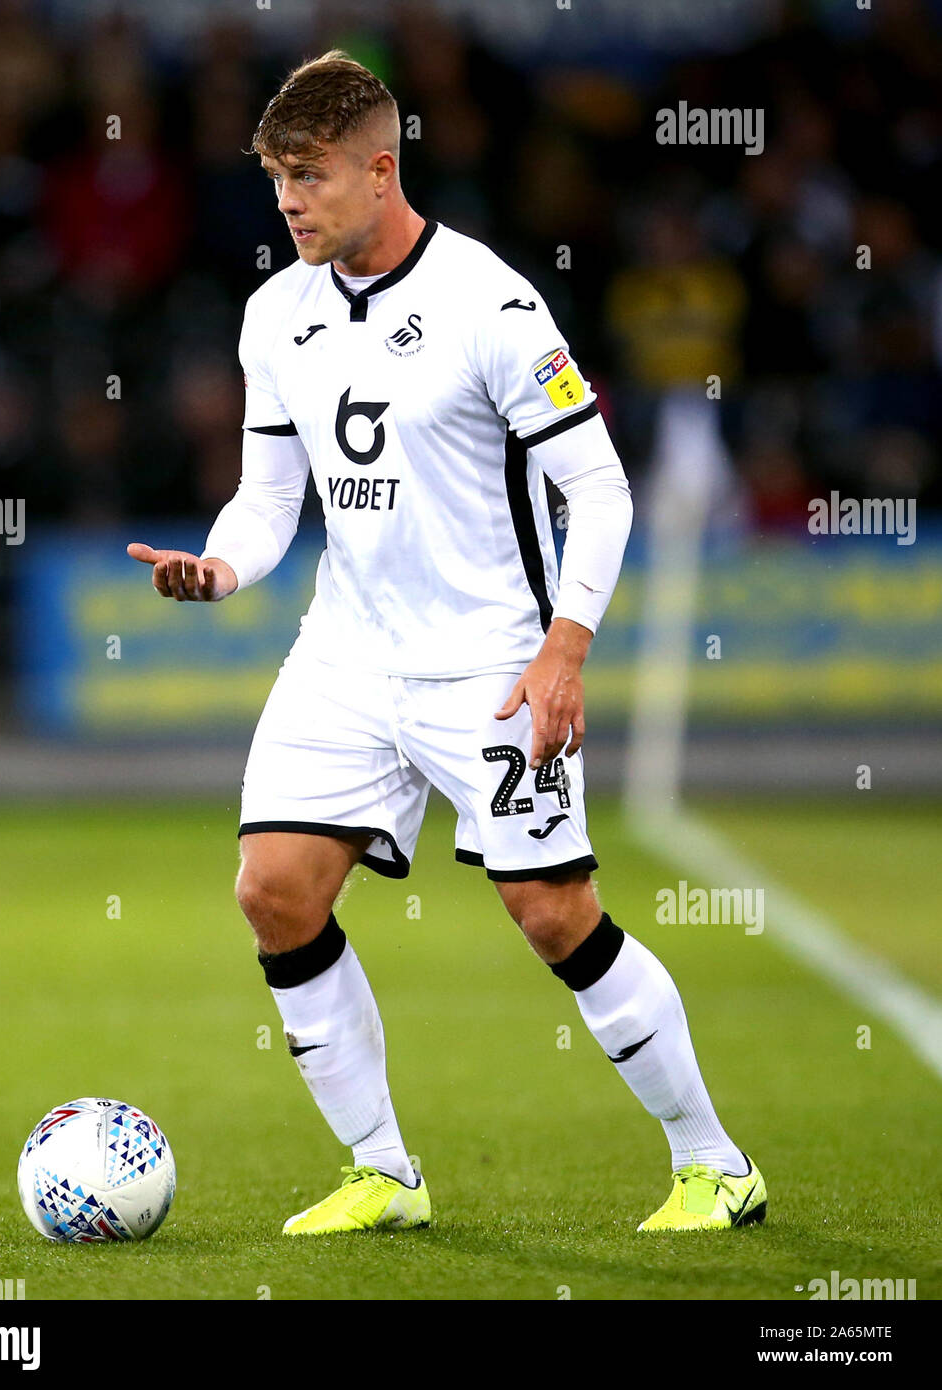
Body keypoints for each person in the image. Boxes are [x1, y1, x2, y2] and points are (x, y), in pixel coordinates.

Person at [128, 52, 765, 1236]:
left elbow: (602, 489)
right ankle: (384, 1171)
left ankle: (715, 1162)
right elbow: (270, 503)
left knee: (552, 912)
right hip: (347, 655)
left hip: (491, 660)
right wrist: (218, 567)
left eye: (308, 178)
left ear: (381, 169)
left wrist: (564, 648)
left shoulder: (491, 303)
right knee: (273, 892)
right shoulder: (278, 314)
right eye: (276, 182)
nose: (288, 204)